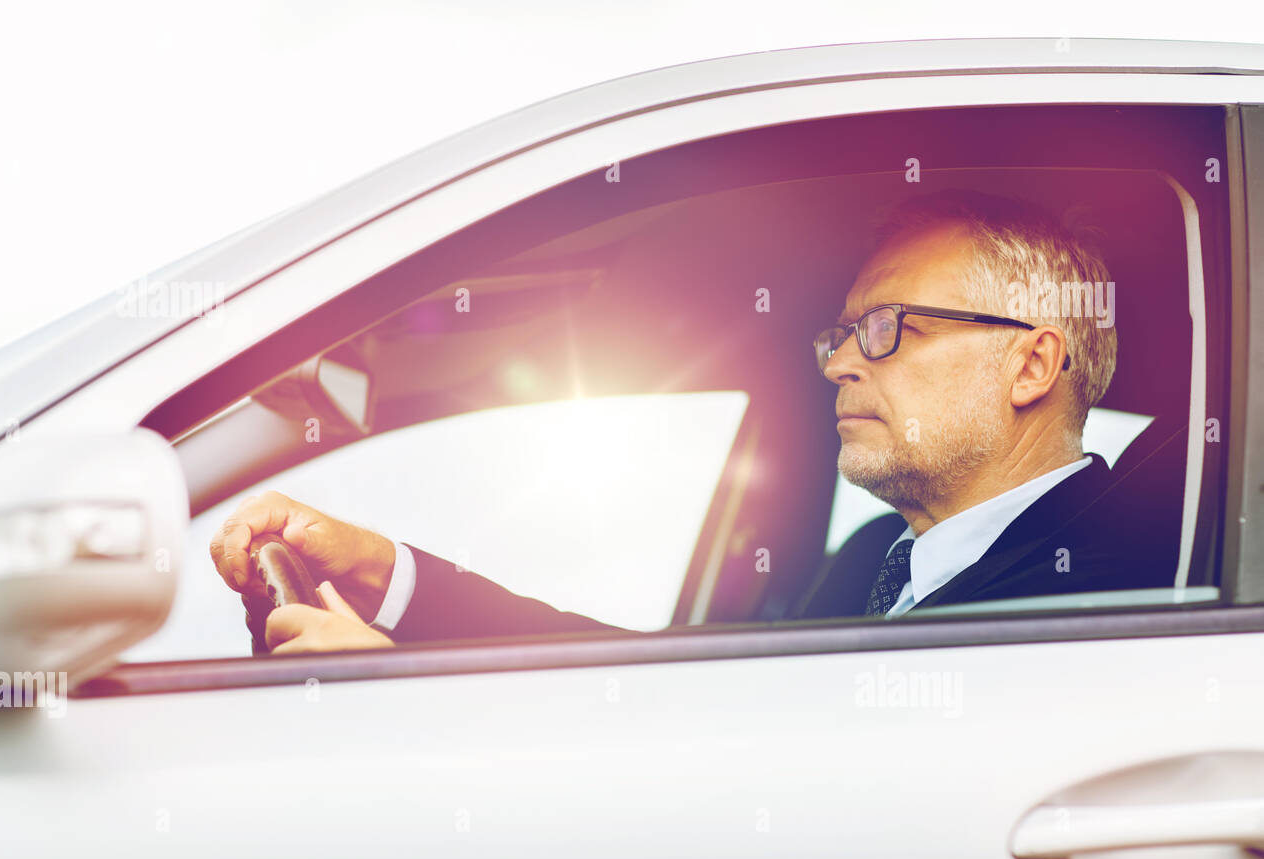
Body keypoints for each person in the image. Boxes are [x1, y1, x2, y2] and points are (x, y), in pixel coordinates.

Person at [210, 190, 1173, 654]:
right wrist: (393, 579)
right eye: (840, 333)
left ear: (1032, 363)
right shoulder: (870, 561)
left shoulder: (1129, 585)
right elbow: (661, 693)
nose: (840, 359)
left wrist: (415, 717)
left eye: (884, 328)